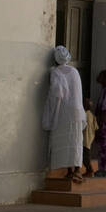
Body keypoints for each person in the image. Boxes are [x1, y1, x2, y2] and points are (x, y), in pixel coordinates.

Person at [42, 46, 85, 181]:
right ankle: (76, 170)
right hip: (77, 111)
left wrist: (51, 109)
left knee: (65, 140)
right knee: (76, 140)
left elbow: (58, 93)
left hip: (64, 111)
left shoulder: (56, 72)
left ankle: (70, 170)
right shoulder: (74, 72)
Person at [90, 69, 106, 177]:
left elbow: (105, 110)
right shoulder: (104, 90)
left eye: (100, 75)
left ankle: (104, 168)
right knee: (101, 145)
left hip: (104, 123)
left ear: (105, 78)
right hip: (102, 122)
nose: (98, 77)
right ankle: (103, 167)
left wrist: (100, 124)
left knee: (103, 145)